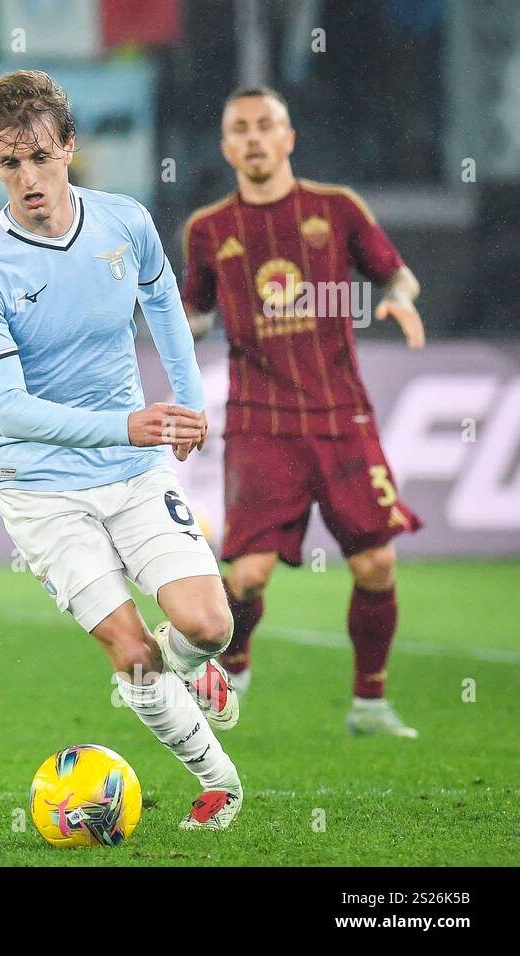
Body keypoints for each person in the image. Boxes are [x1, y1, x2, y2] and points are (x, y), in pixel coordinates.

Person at [0, 70, 242, 831]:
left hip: (133, 467)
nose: (29, 177)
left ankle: (189, 671)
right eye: (10, 163)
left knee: (210, 628)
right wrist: (129, 424)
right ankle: (218, 782)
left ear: (69, 147)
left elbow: (165, 304)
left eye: (41, 156)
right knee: (132, 654)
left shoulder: (124, 222)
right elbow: (9, 407)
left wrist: (190, 406)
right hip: (39, 483)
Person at [181, 86, 423, 737]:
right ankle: (234, 666)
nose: (255, 138)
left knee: (376, 563)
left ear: (289, 138)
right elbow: (196, 312)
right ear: (228, 146)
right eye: (242, 129)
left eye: (268, 126)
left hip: (343, 416)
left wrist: (399, 298)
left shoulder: (335, 209)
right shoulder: (207, 231)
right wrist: (168, 325)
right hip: (261, 423)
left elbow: (394, 274)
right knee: (250, 574)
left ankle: (369, 704)